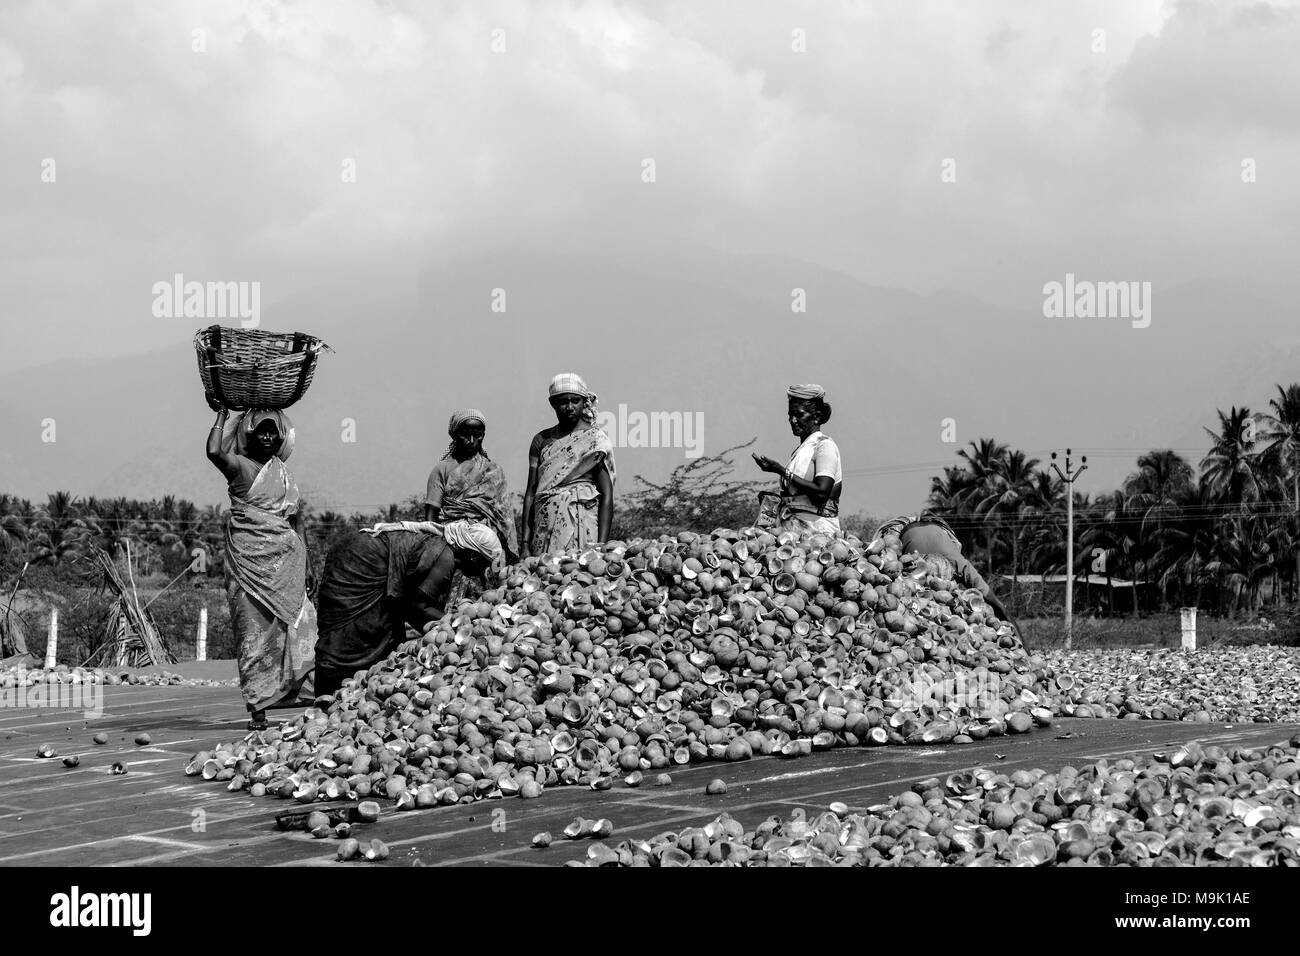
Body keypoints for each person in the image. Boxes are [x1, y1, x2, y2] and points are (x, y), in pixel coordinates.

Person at [205, 399, 316, 730]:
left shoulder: (283, 474)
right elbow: (214, 452)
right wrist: (223, 414)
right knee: (253, 632)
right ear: (248, 436)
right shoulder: (239, 466)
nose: (268, 436)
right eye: (261, 430)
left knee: (300, 625)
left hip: (288, 563)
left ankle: (302, 694)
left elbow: (297, 520)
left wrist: (306, 558)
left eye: (273, 431)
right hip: (248, 563)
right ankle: (258, 708)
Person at [311, 528, 488, 697]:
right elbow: (419, 605)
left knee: (381, 640)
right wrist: (458, 622)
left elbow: (410, 609)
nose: (479, 573)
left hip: (350, 551)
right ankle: (328, 699)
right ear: (473, 556)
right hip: (361, 560)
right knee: (349, 636)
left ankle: (348, 695)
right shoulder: (447, 557)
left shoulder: (438, 548)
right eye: (483, 564)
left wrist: (435, 635)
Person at [521, 373, 615, 557]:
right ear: (553, 404)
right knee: (546, 578)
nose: (570, 407)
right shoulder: (542, 440)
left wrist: (601, 545)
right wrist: (525, 543)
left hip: (583, 522)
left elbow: (607, 493)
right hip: (545, 523)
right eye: (563, 402)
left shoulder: (595, 440)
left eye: (575, 401)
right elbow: (531, 492)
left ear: (584, 402)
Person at [421, 408, 518, 568]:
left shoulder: (494, 470)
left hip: (487, 546)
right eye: (465, 434)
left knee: (493, 591)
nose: (471, 440)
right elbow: (431, 516)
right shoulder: (442, 469)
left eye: (477, 434)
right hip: (451, 542)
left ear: (483, 435)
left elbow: (505, 518)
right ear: (455, 434)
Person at [874, 512, 1012, 622]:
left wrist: (1002, 610)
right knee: (886, 558)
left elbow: (988, 593)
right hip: (902, 529)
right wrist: (1002, 610)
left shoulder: (957, 561)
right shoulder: (911, 564)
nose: (938, 585)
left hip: (936, 527)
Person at [752, 384, 843, 535]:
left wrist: (781, 471)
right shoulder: (801, 451)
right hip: (792, 530)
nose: (792, 420)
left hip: (818, 533)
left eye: (799, 415)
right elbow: (800, 496)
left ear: (817, 416)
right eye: (790, 415)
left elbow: (821, 492)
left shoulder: (825, 446)